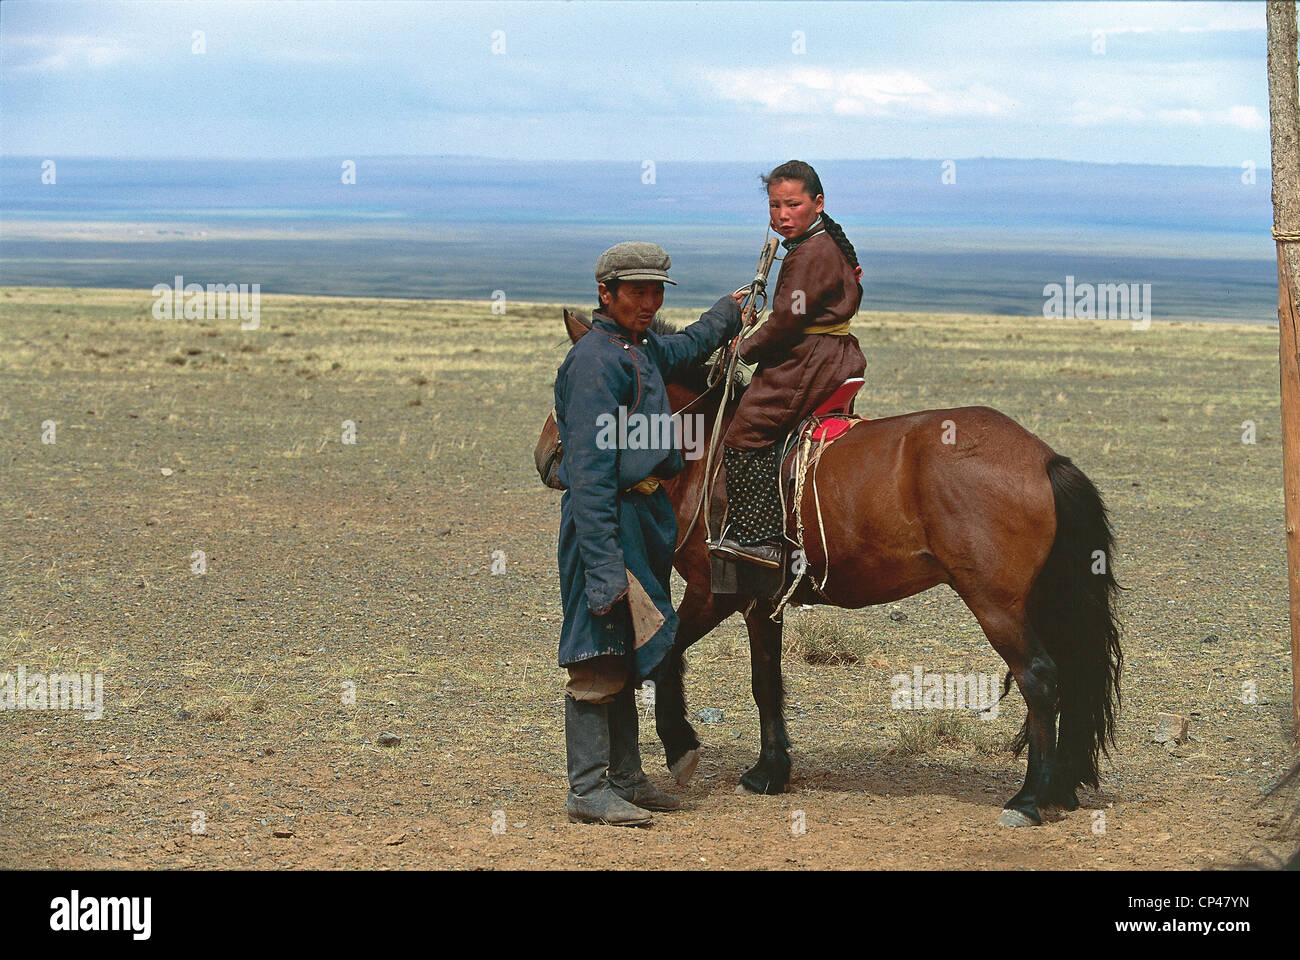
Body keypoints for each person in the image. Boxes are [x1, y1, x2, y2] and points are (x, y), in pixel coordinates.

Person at [555, 241, 743, 825]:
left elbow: (686, 344)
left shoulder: (640, 348)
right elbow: (587, 478)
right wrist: (605, 566)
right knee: (599, 649)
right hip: (606, 519)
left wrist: (728, 311)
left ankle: (629, 778)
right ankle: (588, 789)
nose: (648, 301)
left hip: (644, 516)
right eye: (636, 291)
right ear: (605, 295)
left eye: (656, 291)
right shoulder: (595, 362)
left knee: (633, 648)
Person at [712, 160, 867, 568]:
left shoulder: (811, 252)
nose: (782, 215)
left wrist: (742, 350)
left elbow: (785, 322)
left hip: (808, 359)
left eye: (793, 205)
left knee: (746, 431)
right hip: (828, 353)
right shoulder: (817, 244)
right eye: (775, 206)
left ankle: (758, 541)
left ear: (818, 203)